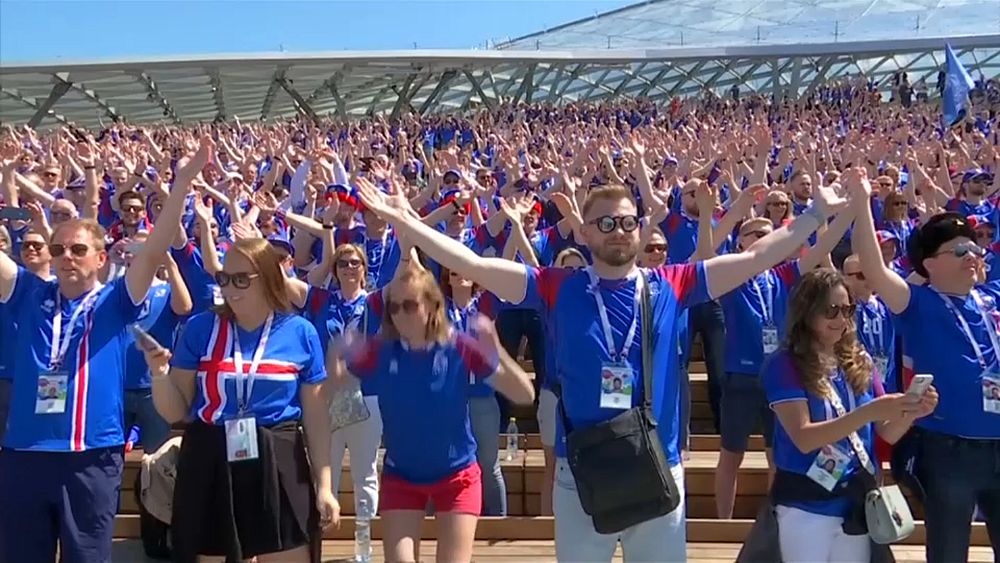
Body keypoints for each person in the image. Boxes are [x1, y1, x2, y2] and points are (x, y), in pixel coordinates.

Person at [356, 176, 848, 561]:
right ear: (586, 231)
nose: (620, 231)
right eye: (607, 223)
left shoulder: (672, 283)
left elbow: (758, 255)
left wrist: (817, 213)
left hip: (658, 466)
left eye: (629, 221)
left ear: (641, 226)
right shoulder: (556, 286)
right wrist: (407, 222)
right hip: (581, 469)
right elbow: (475, 264)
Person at [0, 137, 212, 562]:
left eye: (78, 250)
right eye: (58, 249)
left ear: (100, 258)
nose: (65, 257)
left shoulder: (115, 300)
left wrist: (183, 183)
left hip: (91, 456)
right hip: (24, 453)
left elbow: (155, 249)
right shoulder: (27, 292)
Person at [140, 237, 338, 562]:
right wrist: (160, 374)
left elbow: (316, 418)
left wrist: (326, 486)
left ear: (269, 277)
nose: (230, 288)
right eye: (224, 278)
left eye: (241, 278)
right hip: (211, 455)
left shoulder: (300, 331)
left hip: (279, 453)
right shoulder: (201, 328)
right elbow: (177, 409)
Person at [847, 166, 1000, 563]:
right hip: (948, 452)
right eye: (961, 250)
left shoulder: (990, 300)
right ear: (930, 264)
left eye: (977, 249)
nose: (974, 256)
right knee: (949, 554)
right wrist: (862, 202)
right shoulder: (917, 303)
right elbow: (873, 266)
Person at [337, 264, 535, 563]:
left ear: (432, 306)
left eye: (409, 305)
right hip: (402, 475)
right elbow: (328, 390)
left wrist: (497, 354)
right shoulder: (380, 350)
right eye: (393, 307)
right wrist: (336, 357)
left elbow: (525, 395)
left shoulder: (460, 345)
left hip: (457, 476)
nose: (400, 314)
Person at [763, 268, 937, 563]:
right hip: (807, 502)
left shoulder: (859, 359)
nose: (841, 319)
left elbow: (885, 431)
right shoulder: (784, 364)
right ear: (807, 311)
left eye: (847, 309)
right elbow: (804, 437)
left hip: (855, 501)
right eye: (831, 310)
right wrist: (868, 412)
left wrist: (912, 412)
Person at [306, 240, 382, 525]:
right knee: (326, 469)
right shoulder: (322, 301)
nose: (349, 267)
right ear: (334, 269)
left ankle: (364, 542)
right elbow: (292, 284)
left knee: (365, 472)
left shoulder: (376, 302)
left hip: (366, 395)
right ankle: (323, 539)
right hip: (327, 394)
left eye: (355, 262)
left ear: (364, 268)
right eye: (342, 263)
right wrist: (325, 261)